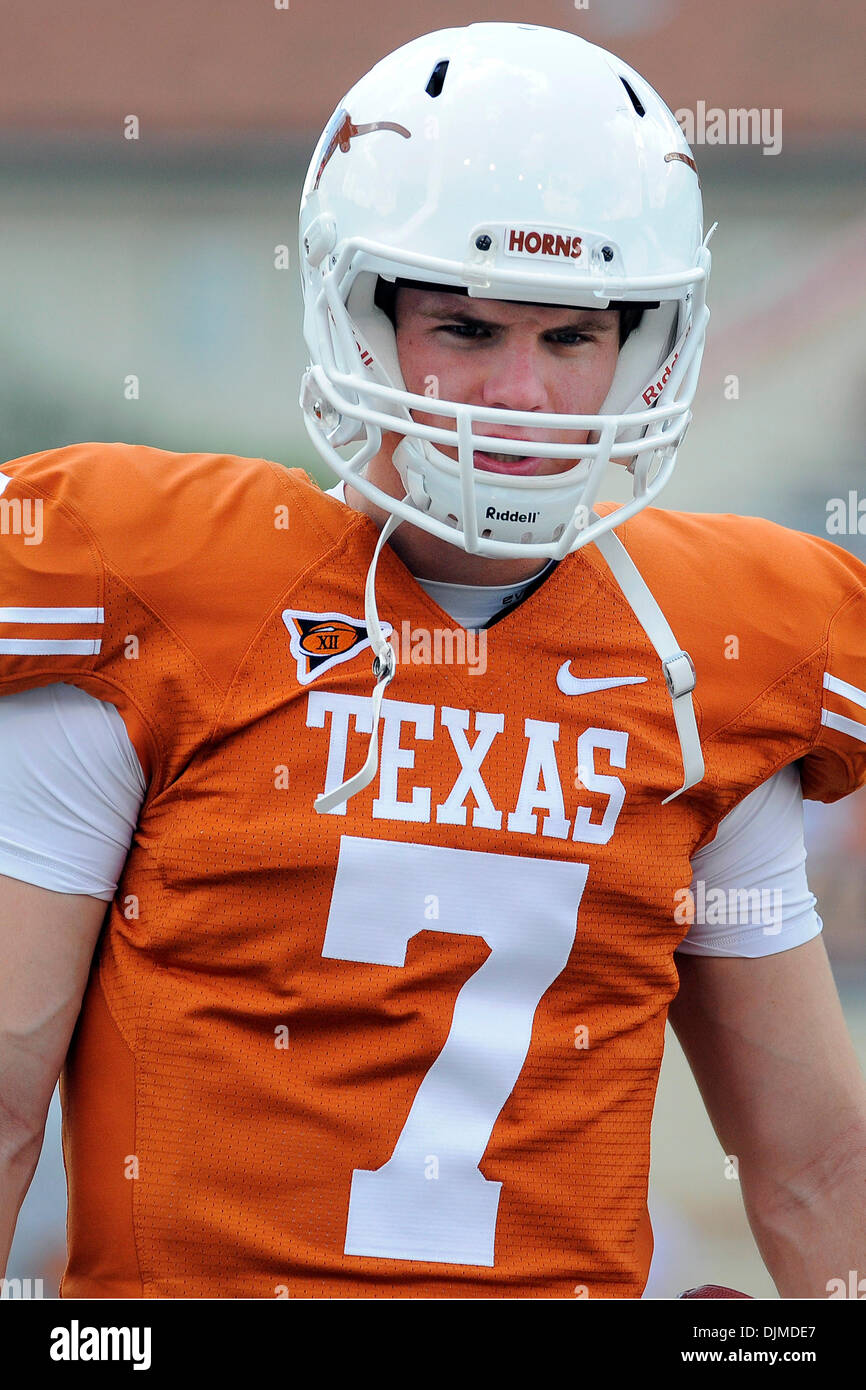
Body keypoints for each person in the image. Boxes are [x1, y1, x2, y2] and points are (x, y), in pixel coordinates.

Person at [1, 21, 864, 1299]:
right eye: (464, 328)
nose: (517, 396)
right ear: (357, 315)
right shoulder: (153, 592)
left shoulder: (707, 659)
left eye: (569, 339)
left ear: (641, 346)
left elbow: (811, 1174)